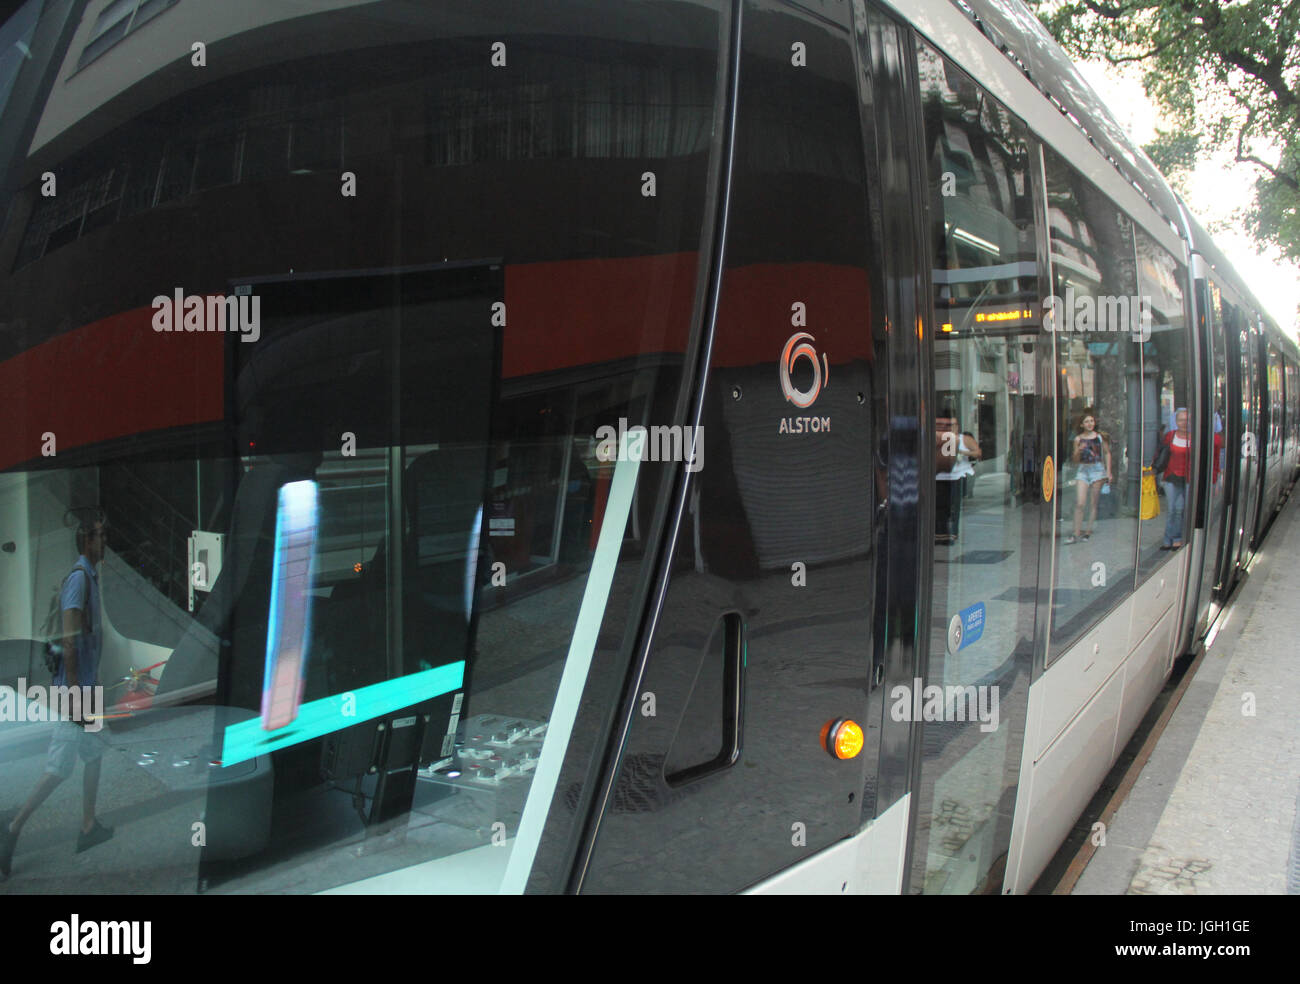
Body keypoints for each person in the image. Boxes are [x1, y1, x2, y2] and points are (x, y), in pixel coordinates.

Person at [0, 510, 114, 879]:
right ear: (86, 541)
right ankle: (12, 829)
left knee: (95, 754)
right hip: (77, 690)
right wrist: (77, 694)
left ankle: (87, 825)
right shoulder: (79, 580)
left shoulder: (91, 577)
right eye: (99, 535)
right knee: (59, 767)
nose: (105, 541)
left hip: (87, 687)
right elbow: (68, 639)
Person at [1065, 409, 1111, 544]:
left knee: (1093, 503)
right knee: (1080, 503)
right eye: (1086, 421)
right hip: (1083, 470)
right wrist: (1078, 450)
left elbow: (1107, 453)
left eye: (1091, 421)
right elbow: (1074, 459)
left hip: (1098, 471)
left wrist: (1108, 472)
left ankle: (1088, 531)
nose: (1090, 423)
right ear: (1082, 425)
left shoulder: (1100, 437)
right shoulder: (1078, 439)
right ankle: (1075, 532)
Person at [935, 410, 981, 543]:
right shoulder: (936, 437)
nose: (947, 428)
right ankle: (939, 535)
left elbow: (977, 453)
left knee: (953, 508)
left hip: (955, 478)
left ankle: (952, 534)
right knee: (939, 508)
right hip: (937, 478)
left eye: (952, 425)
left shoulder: (963, 439)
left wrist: (961, 451)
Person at [1157, 408, 1191, 549]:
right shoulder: (1170, 436)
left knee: (1180, 509)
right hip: (1170, 477)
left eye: (1186, 420)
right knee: (1171, 510)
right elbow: (1160, 453)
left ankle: (1177, 537)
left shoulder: (1194, 437)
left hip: (1187, 479)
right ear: (1176, 421)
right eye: (1181, 420)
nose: (1184, 423)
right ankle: (1167, 539)